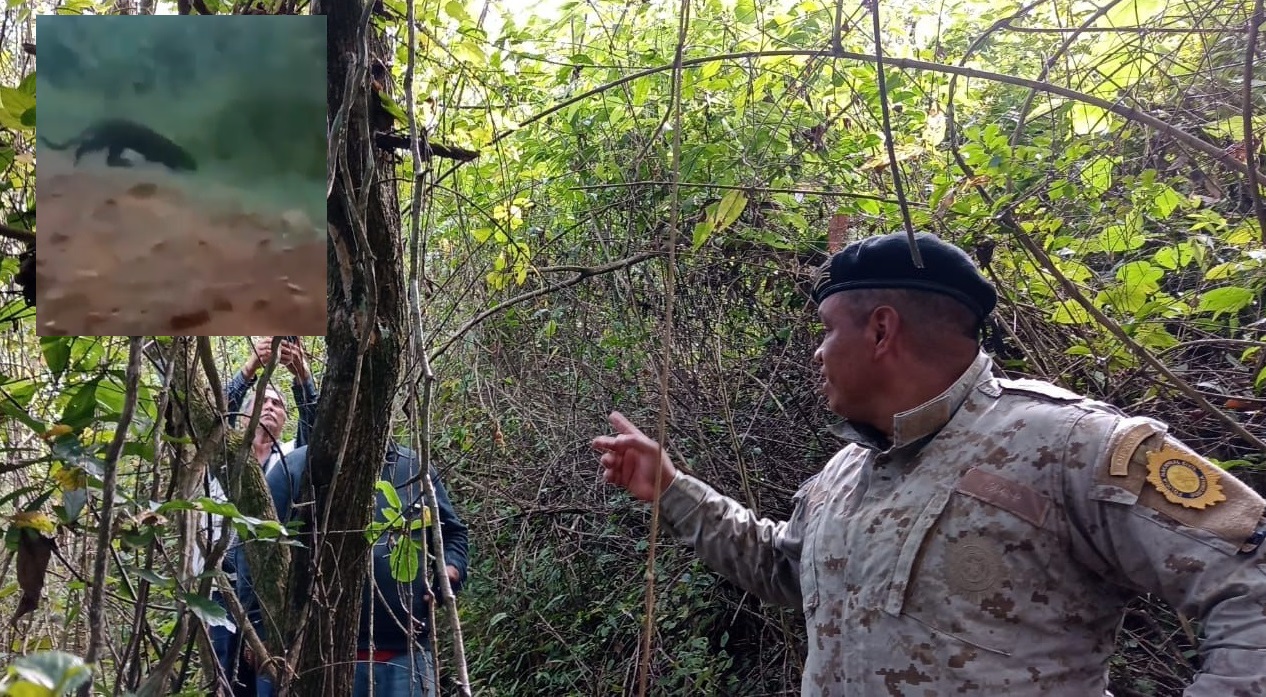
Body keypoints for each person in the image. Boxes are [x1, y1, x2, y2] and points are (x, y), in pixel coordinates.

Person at [593, 231, 1266, 695]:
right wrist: (672, 488)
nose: (817, 354)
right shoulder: (842, 475)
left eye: (828, 331)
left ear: (882, 330)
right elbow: (784, 569)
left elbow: (1253, 581)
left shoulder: (1074, 444)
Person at [242, 441, 470, 696]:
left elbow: (453, 534)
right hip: (316, 654)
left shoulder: (414, 467)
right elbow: (255, 548)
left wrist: (450, 571)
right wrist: (259, 628)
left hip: (407, 650)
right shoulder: (296, 467)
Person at [226, 336, 318, 453]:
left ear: (284, 420)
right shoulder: (228, 451)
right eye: (262, 401)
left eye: (276, 404)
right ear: (244, 417)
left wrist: (303, 374)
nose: (269, 407)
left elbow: (313, 426)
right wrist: (249, 367)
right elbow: (219, 413)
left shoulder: (292, 456)